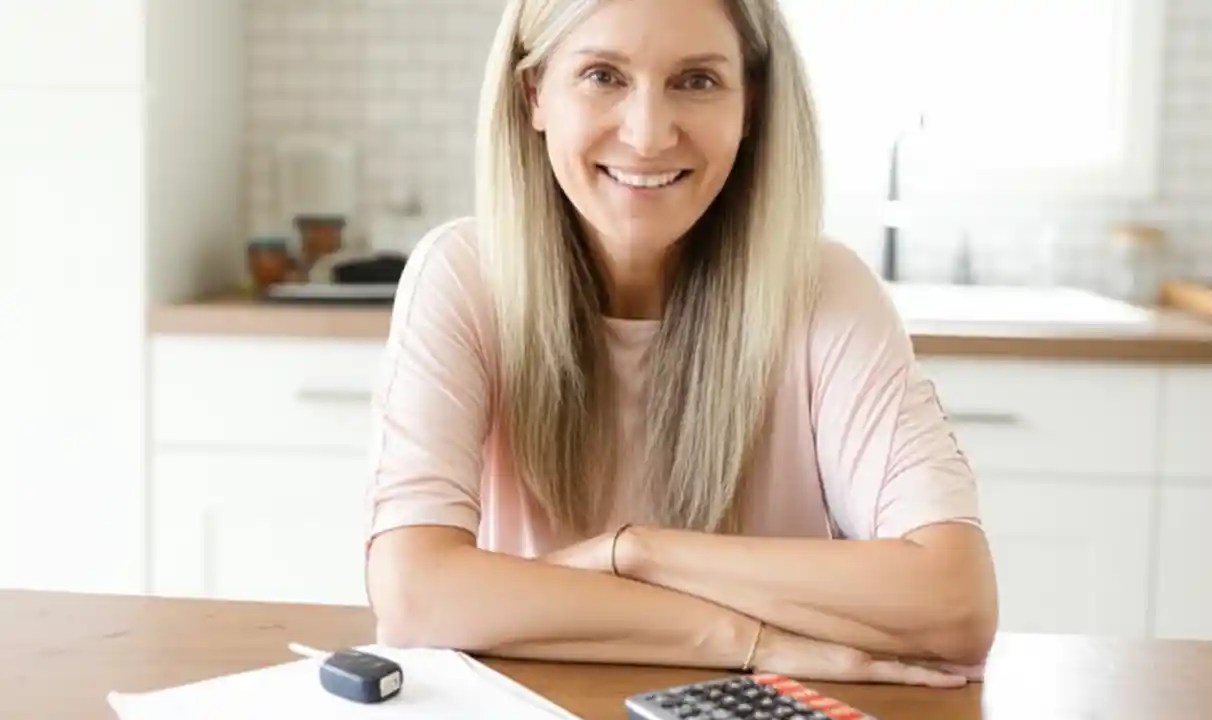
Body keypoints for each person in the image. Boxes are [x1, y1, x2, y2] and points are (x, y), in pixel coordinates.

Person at [365, 0, 997, 687]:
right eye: (603, 76)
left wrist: (633, 553)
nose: (647, 135)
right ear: (534, 93)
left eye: (696, 81)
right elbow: (414, 597)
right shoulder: (462, 277)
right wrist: (745, 640)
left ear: (752, 105)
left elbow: (954, 604)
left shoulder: (826, 290)